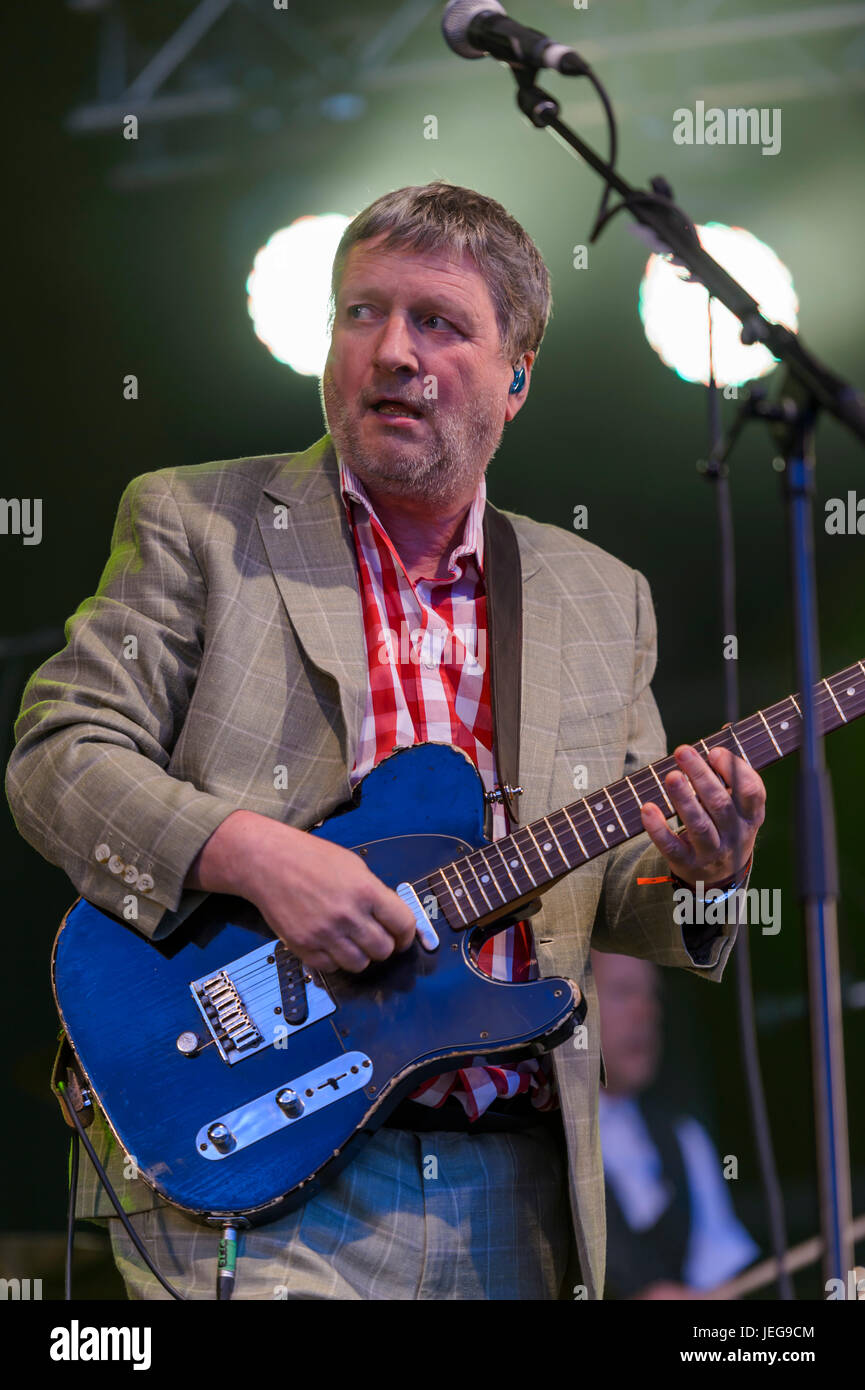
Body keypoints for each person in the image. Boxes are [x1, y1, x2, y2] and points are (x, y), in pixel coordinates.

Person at [5, 181, 765, 1301]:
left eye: (439, 322)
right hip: (264, 1162)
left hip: (519, 1189)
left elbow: (621, 896)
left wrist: (706, 871)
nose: (393, 350)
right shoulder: (196, 521)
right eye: (363, 313)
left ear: (517, 374)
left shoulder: (604, 596)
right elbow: (59, 753)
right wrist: (253, 854)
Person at [592, 949, 760, 1300]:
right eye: (623, 992)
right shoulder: (538, 1145)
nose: (647, 1011)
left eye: (653, 995)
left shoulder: (684, 1138)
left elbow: (721, 1277)